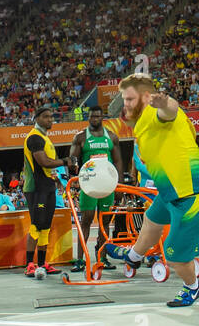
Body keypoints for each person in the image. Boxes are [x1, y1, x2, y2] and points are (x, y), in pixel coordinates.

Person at [104, 74, 199, 307]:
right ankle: (134, 257)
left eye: (128, 102)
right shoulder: (143, 129)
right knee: (152, 220)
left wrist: (164, 103)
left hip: (194, 195)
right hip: (171, 194)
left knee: (174, 254)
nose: (124, 108)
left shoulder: (154, 115)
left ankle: (192, 288)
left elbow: (170, 110)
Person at [68, 104, 125, 272]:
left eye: (98, 116)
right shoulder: (80, 137)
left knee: (104, 223)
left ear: (102, 118)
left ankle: (102, 257)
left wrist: (119, 184)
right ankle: (79, 259)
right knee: (85, 221)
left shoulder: (112, 137)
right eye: (92, 116)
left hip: (107, 186)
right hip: (89, 186)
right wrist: (73, 171)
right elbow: (72, 159)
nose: (95, 119)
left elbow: (118, 161)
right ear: (88, 118)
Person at [22, 105, 69, 278]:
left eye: (51, 117)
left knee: (46, 228)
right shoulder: (34, 138)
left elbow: (48, 167)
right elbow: (44, 162)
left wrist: (56, 179)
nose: (50, 119)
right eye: (46, 117)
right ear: (37, 118)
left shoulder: (44, 138)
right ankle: (29, 264)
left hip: (47, 186)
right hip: (36, 188)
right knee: (36, 225)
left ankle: (42, 263)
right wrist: (65, 161)